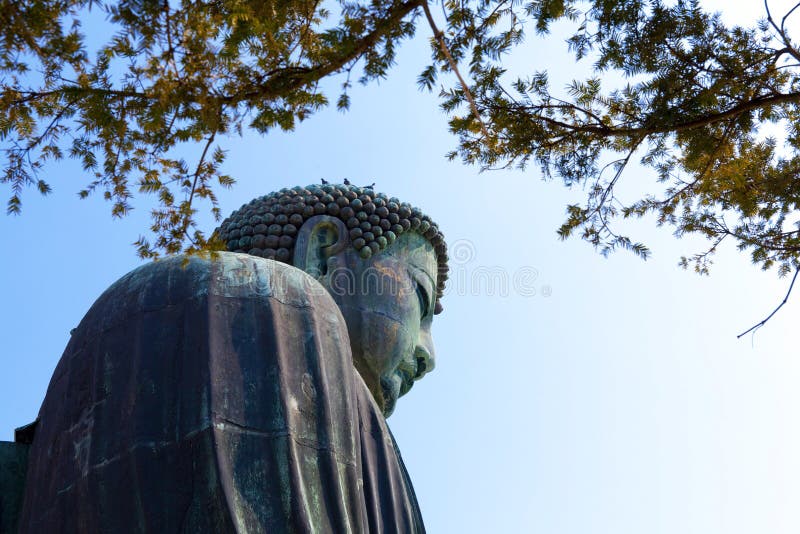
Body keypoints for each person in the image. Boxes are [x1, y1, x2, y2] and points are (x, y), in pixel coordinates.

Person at [14, 184, 448, 533]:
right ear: (323, 253)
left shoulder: (369, 436)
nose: (428, 355)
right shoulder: (264, 300)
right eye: (421, 297)